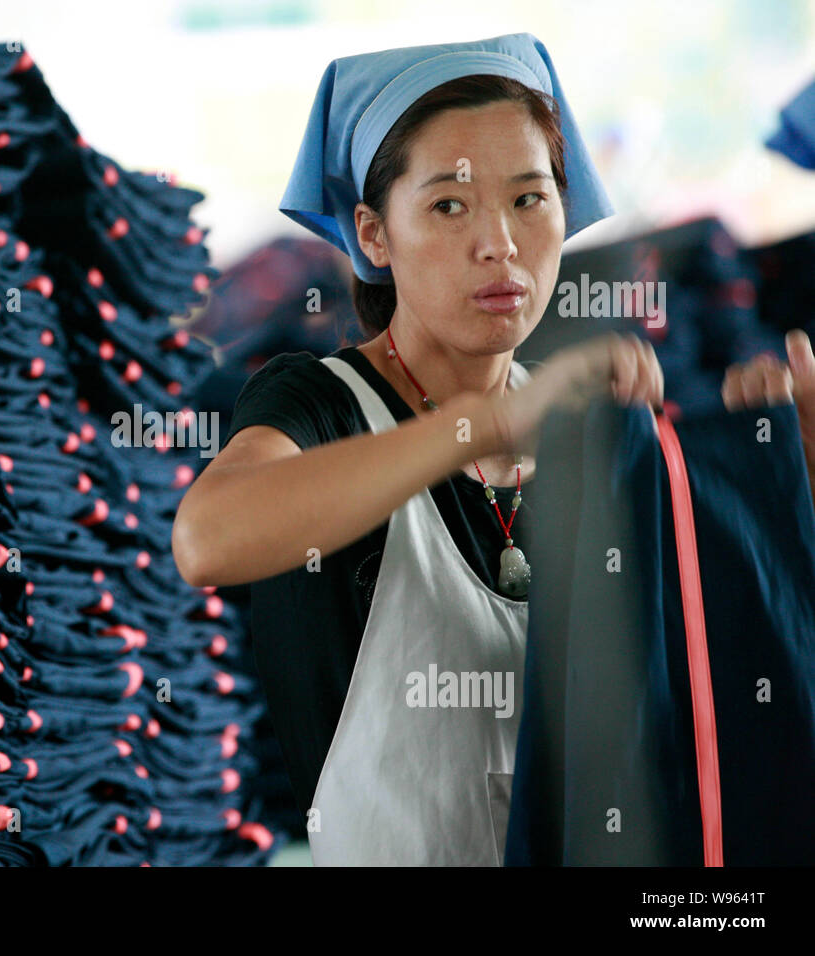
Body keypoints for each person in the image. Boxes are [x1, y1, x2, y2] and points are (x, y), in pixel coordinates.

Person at [171, 34, 668, 865]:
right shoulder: (319, 402)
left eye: (529, 200)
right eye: (449, 205)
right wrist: (478, 428)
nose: (499, 244)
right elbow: (207, 540)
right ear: (372, 234)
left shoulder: (584, 419)